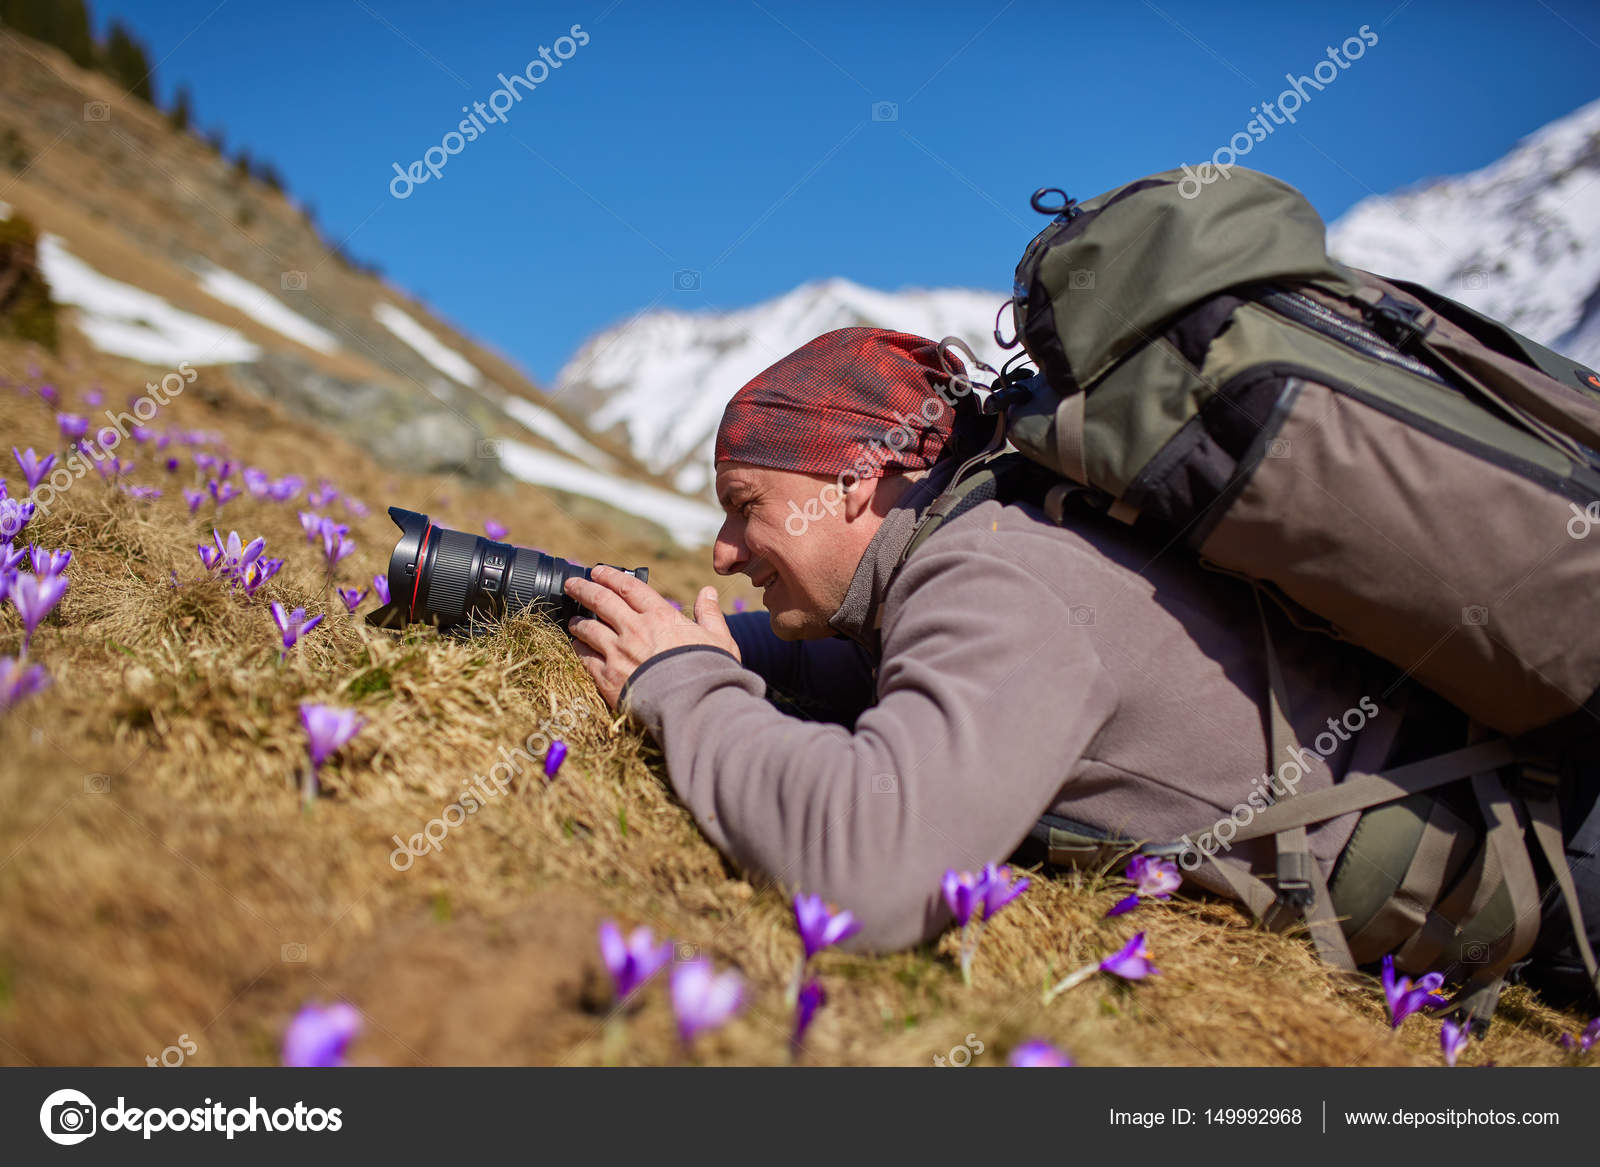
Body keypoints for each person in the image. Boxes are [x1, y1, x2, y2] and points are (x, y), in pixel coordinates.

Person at [562, 326, 1599, 1006]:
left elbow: (868, 874)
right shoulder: (987, 537)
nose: (724, 552)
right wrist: (644, 634)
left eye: (746, 505)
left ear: (856, 482)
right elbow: (861, 681)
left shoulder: (998, 577)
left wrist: (679, 688)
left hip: (1568, 867)